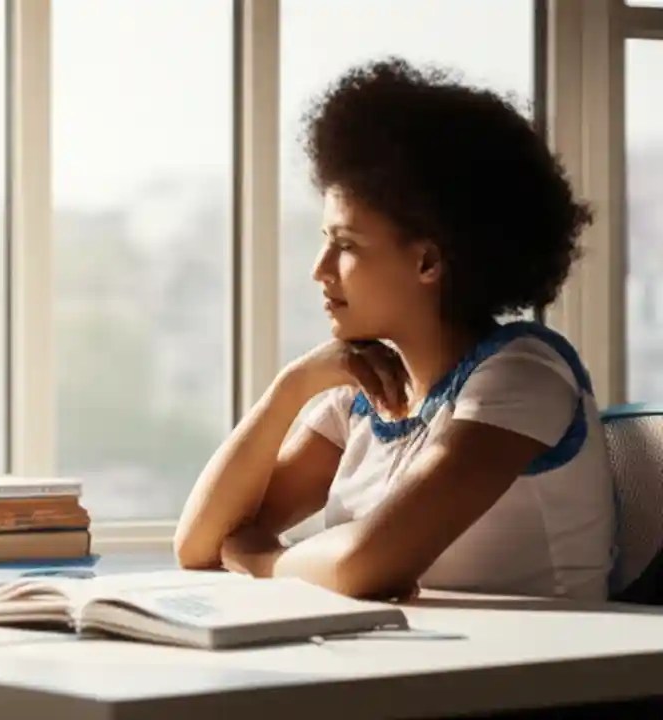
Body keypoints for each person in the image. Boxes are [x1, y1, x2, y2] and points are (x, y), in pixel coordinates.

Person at [173, 58, 615, 601]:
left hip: (558, 658)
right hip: (409, 652)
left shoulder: (523, 376)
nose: (320, 269)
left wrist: (264, 561)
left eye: (346, 245)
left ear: (427, 262)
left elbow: (365, 563)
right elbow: (200, 544)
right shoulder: (360, 392)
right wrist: (292, 386)